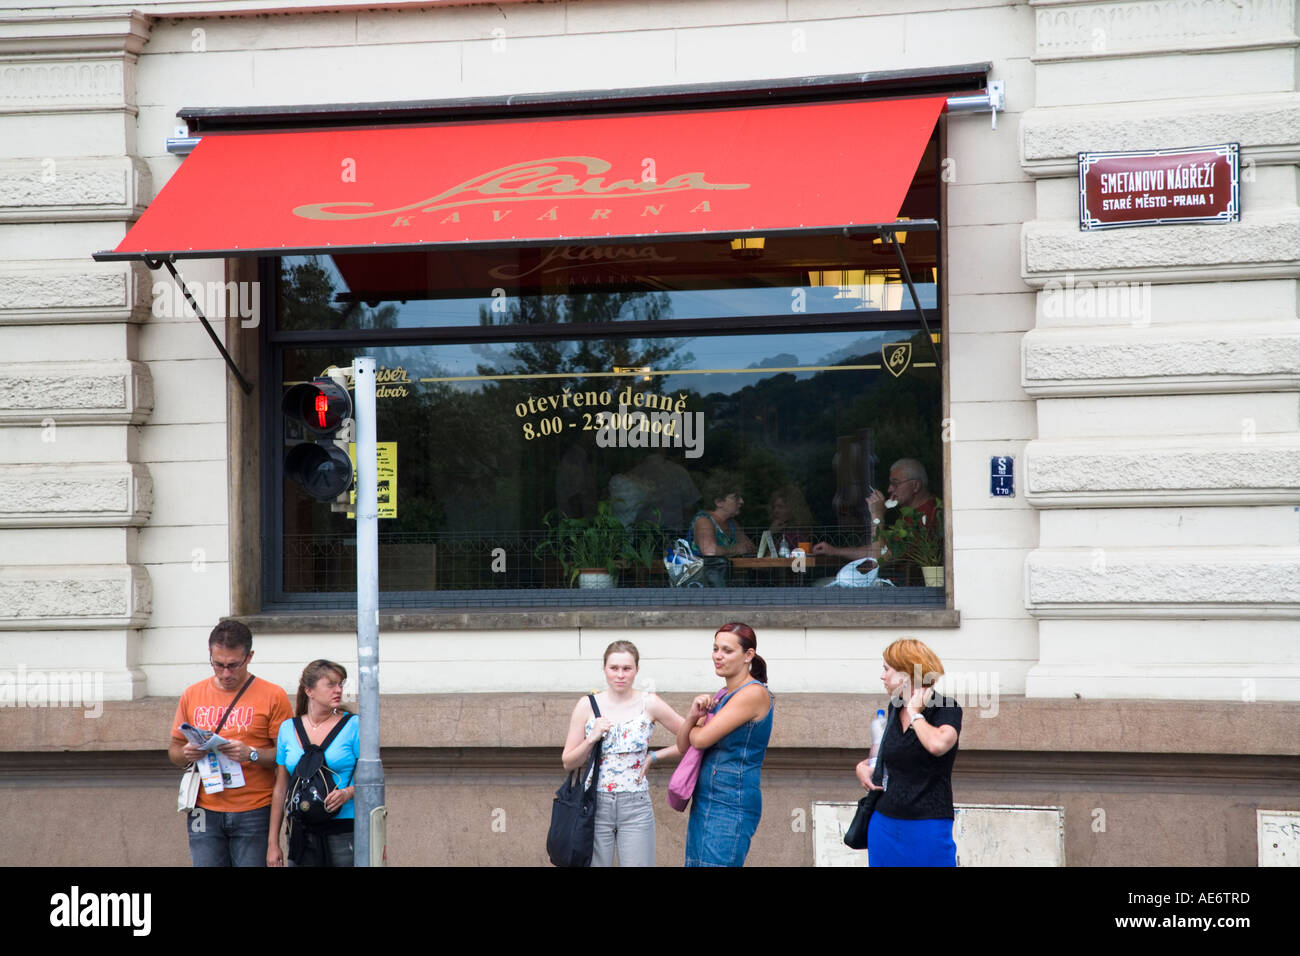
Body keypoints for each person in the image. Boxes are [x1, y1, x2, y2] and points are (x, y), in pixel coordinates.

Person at [168, 620, 292, 867]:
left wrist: (252, 754)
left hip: (254, 808)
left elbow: (287, 757)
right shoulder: (192, 694)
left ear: (249, 657)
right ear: (210, 656)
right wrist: (187, 752)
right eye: (218, 665)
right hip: (204, 806)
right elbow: (174, 751)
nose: (226, 674)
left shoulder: (272, 695)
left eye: (234, 665)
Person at [561, 641, 685, 866]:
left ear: (636, 670)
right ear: (604, 669)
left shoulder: (650, 703)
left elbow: (692, 738)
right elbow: (568, 762)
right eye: (614, 668)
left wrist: (655, 756)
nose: (620, 675)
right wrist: (592, 738)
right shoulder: (587, 705)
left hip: (635, 804)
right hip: (594, 803)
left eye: (626, 668)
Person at [855, 638, 961, 867]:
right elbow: (893, 755)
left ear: (906, 673)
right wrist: (863, 767)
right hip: (884, 823)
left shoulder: (946, 708)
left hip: (927, 824)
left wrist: (914, 712)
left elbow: (937, 745)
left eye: (886, 669)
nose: (882, 676)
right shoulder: (895, 708)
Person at [676, 622, 773, 867]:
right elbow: (683, 746)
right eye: (716, 648)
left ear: (748, 655)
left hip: (732, 801)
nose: (718, 656)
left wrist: (697, 727)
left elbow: (700, 739)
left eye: (727, 650)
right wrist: (691, 716)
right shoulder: (722, 695)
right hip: (708, 798)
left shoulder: (753, 693)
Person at [267, 659, 359, 867]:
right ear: (309, 691)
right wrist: (273, 843)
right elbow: (281, 788)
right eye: (331, 684)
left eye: (341, 684)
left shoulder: (353, 725)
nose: (338, 690)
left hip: (343, 830)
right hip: (301, 830)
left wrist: (347, 793)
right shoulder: (288, 729)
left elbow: (373, 779)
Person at [813, 458, 937, 564]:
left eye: (895, 484)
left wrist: (877, 515)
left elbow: (880, 558)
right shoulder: (910, 513)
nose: (889, 489)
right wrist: (834, 551)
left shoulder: (926, 515)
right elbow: (877, 549)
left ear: (916, 486)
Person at [766, 483, 815, 553]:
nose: (775, 511)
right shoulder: (778, 530)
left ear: (792, 510)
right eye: (774, 507)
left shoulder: (797, 535)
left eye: (780, 507)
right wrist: (770, 533)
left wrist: (770, 534)